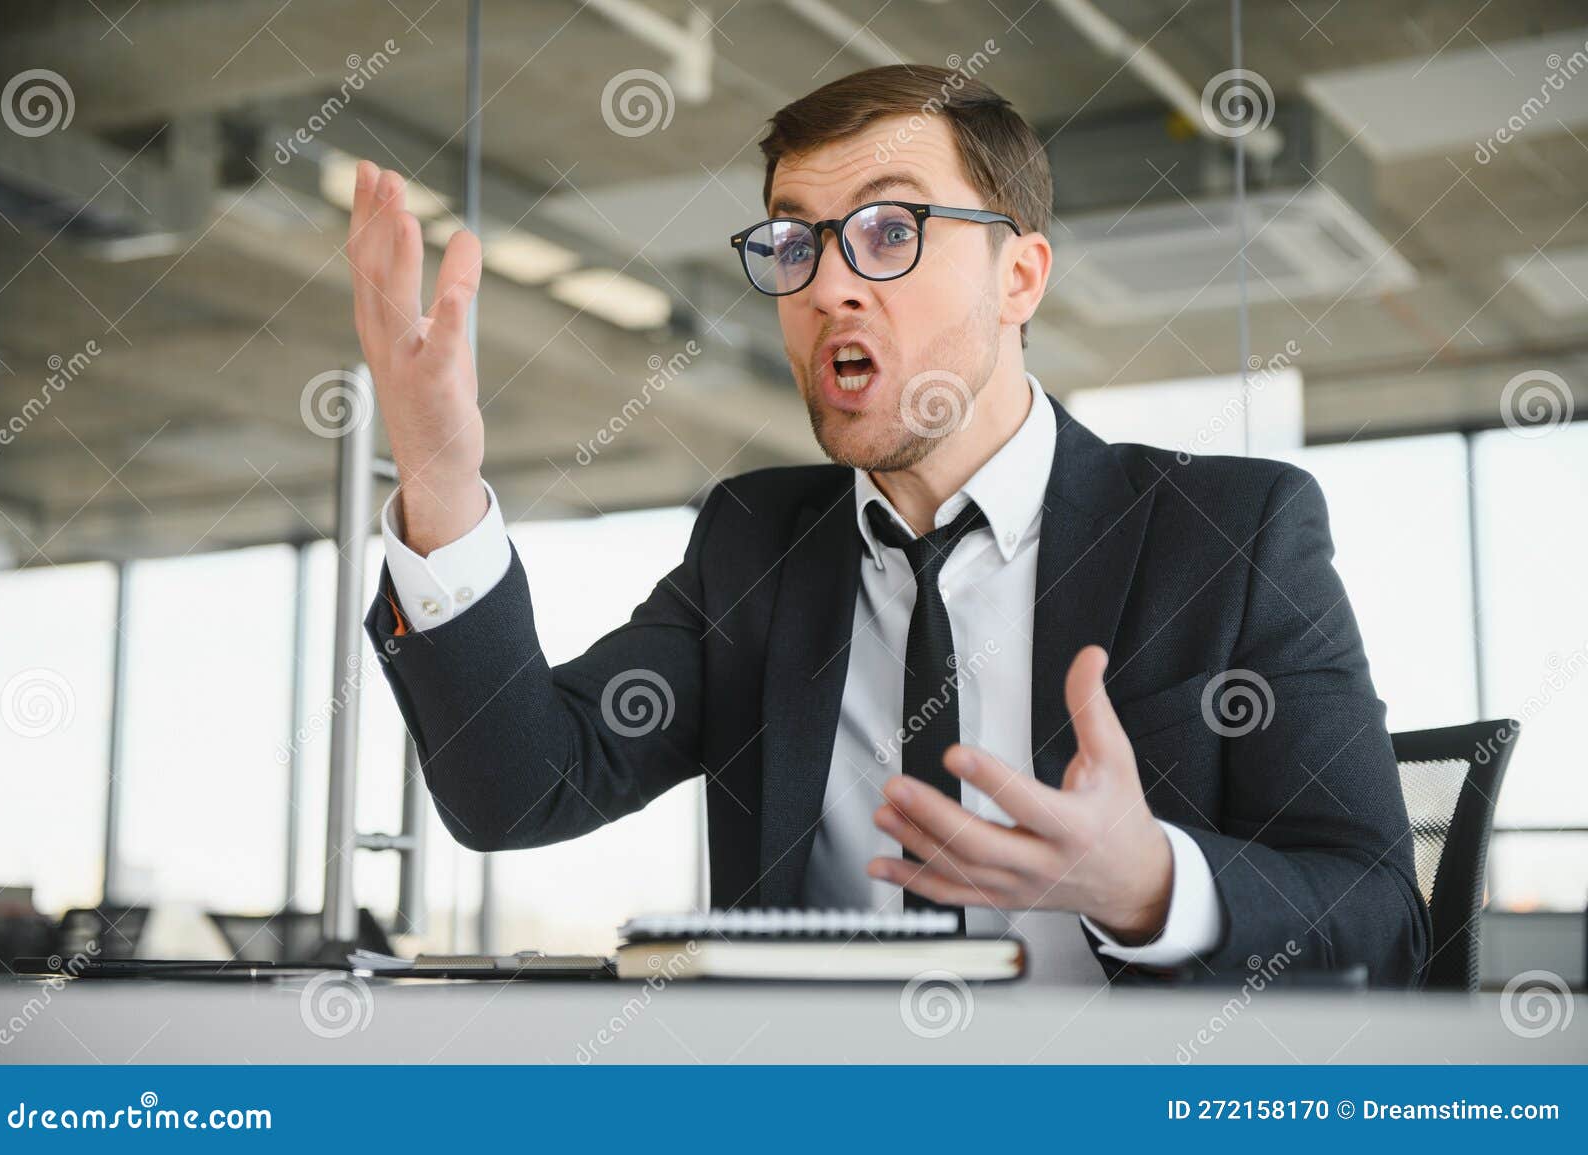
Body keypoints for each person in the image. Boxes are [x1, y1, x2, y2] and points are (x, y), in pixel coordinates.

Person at [348, 65, 1428, 984]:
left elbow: (1379, 915)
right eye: (793, 244)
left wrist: (1148, 885)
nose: (827, 286)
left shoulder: (1227, 534)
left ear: (1019, 276)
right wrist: (441, 485)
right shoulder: (754, 546)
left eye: (887, 231)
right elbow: (521, 787)